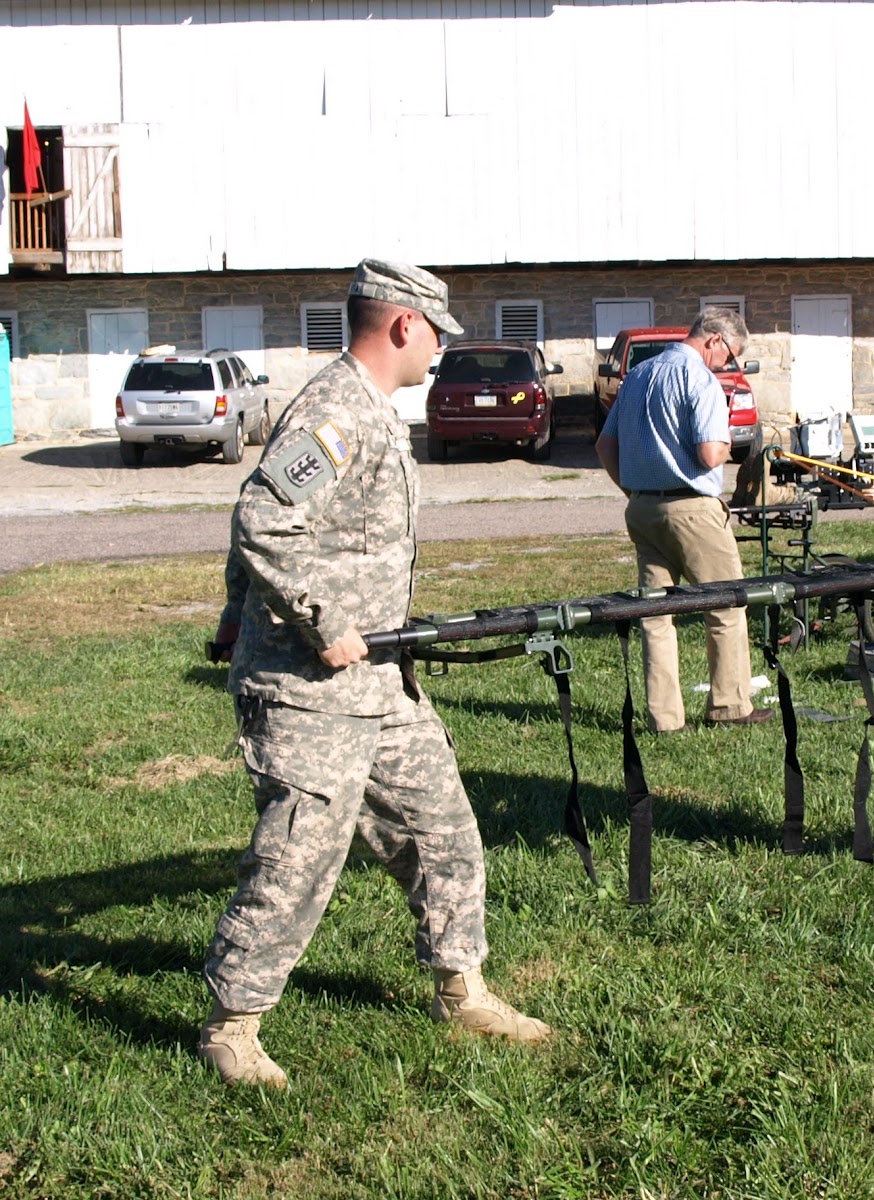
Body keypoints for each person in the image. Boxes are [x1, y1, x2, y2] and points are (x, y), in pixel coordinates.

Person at [199, 260, 551, 1088]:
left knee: (442, 826)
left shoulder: (369, 409)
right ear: (403, 325)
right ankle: (232, 1025)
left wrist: (235, 610)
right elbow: (264, 517)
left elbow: (263, 514)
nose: (439, 351)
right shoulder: (336, 411)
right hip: (308, 687)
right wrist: (322, 623)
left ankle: (460, 988)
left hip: (379, 679)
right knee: (298, 857)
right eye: (436, 334)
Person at [595, 307, 772, 733]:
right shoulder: (701, 379)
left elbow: (605, 446)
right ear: (714, 339)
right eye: (730, 355)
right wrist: (728, 441)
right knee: (726, 604)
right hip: (693, 509)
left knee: (656, 615)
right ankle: (730, 706)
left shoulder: (637, 375)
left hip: (643, 509)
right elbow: (710, 454)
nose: (728, 364)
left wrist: (635, 491)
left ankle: (665, 719)